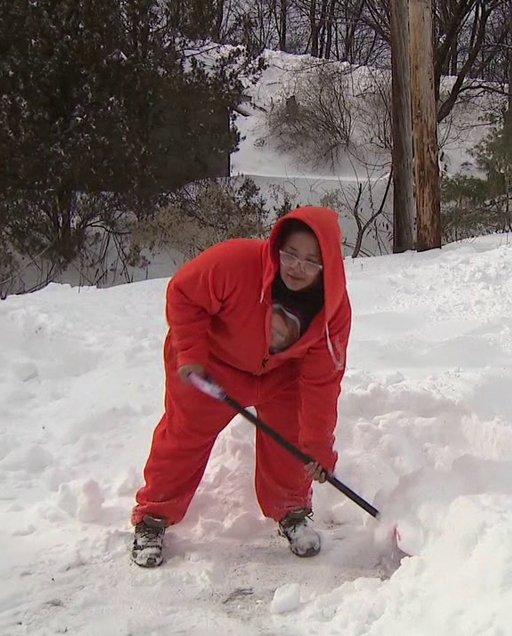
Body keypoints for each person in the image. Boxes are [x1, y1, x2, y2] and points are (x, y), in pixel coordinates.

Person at [129, 206, 352, 568]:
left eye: (312, 261)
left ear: (329, 264)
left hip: (280, 374)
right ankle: (153, 516)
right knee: (184, 435)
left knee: (290, 436)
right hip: (212, 365)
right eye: (290, 254)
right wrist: (190, 353)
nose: (297, 267)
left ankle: (291, 508)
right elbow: (183, 293)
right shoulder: (235, 262)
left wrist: (317, 448)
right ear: (277, 246)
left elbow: (322, 382)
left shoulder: (333, 311)